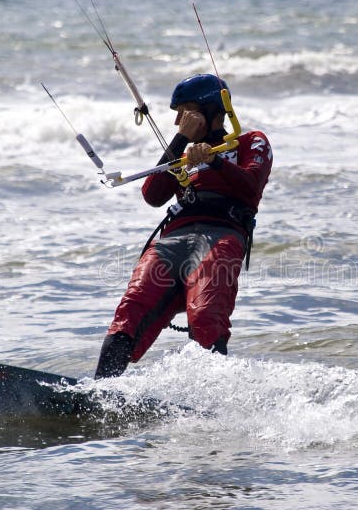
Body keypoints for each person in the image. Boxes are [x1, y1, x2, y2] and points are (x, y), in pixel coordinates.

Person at [95, 74, 273, 378]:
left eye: (185, 111)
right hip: (173, 237)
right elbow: (153, 195)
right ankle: (98, 390)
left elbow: (251, 185)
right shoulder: (183, 151)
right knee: (131, 308)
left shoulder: (250, 140)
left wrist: (214, 161)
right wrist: (180, 142)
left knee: (206, 313)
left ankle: (211, 399)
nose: (178, 120)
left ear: (211, 109)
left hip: (221, 235)